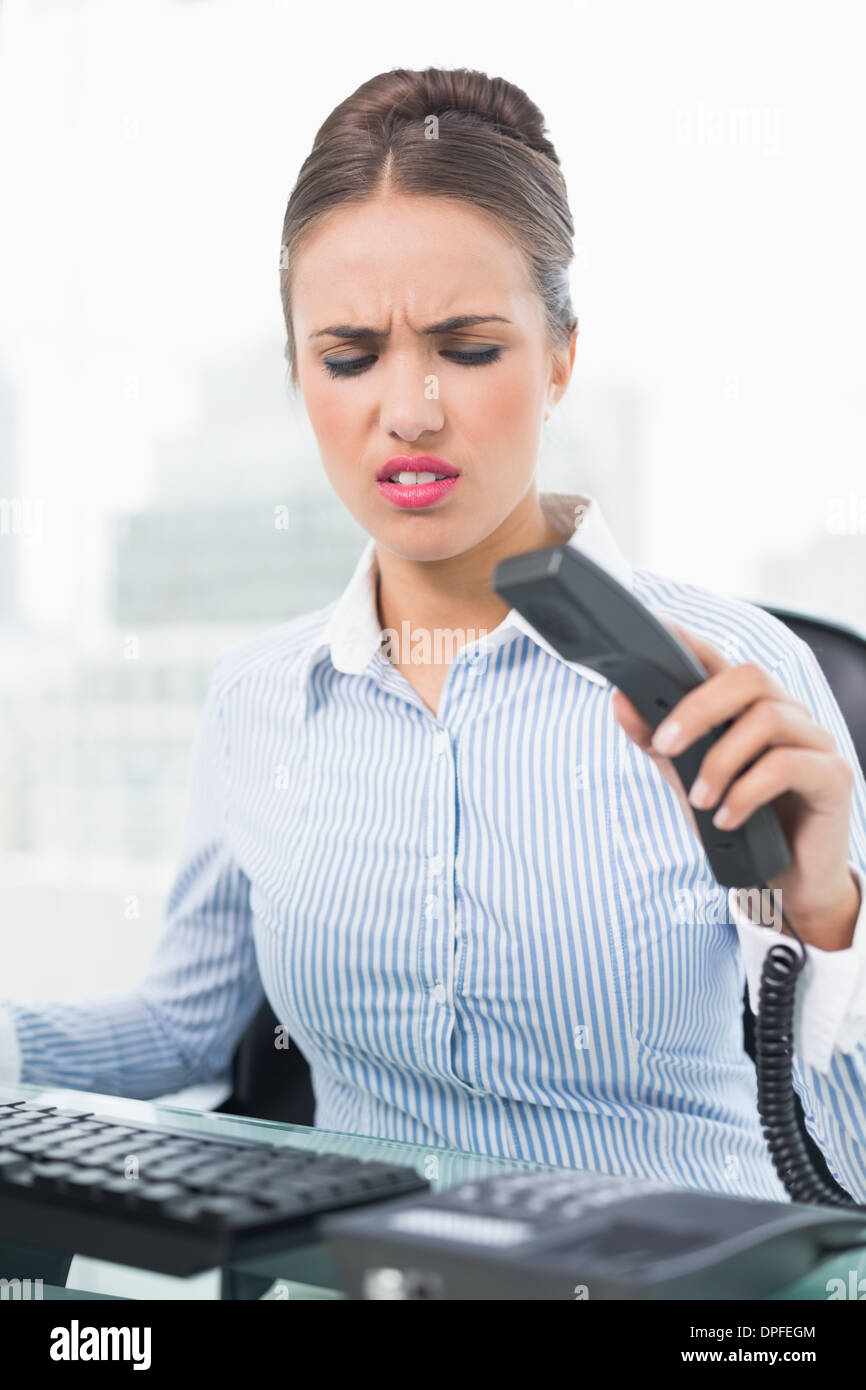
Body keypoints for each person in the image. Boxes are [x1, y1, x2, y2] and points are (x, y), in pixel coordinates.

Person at [2, 67, 865, 1205]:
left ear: (558, 355)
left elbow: (834, 1164)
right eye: (348, 356)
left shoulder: (736, 673)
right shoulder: (256, 697)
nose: (406, 408)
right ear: (299, 375)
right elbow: (180, 1027)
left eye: (466, 347)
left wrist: (827, 921)